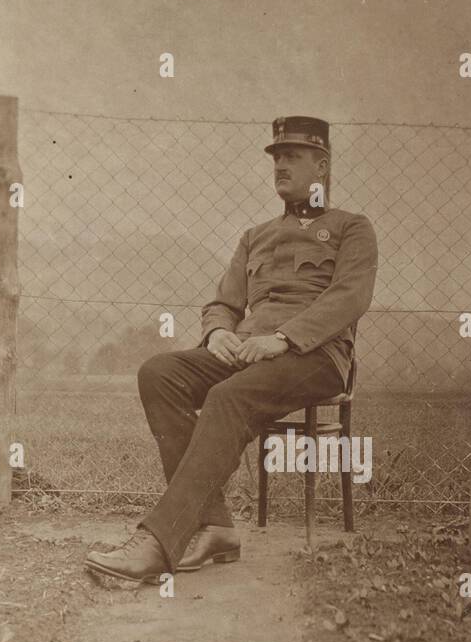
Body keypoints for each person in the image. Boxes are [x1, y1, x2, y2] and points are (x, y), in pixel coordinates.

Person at [85, 116, 378, 582]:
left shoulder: (351, 228)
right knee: (159, 373)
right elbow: (223, 302)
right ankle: (216, 527)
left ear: (321, 166)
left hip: (315, 358)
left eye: (292, 156)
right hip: (246, 355)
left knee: (229, 397)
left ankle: (161, 541)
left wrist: (281, 339)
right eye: (276, 157)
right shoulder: (255, 236)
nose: (280, 165)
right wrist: (218, 332)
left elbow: (350, 298)